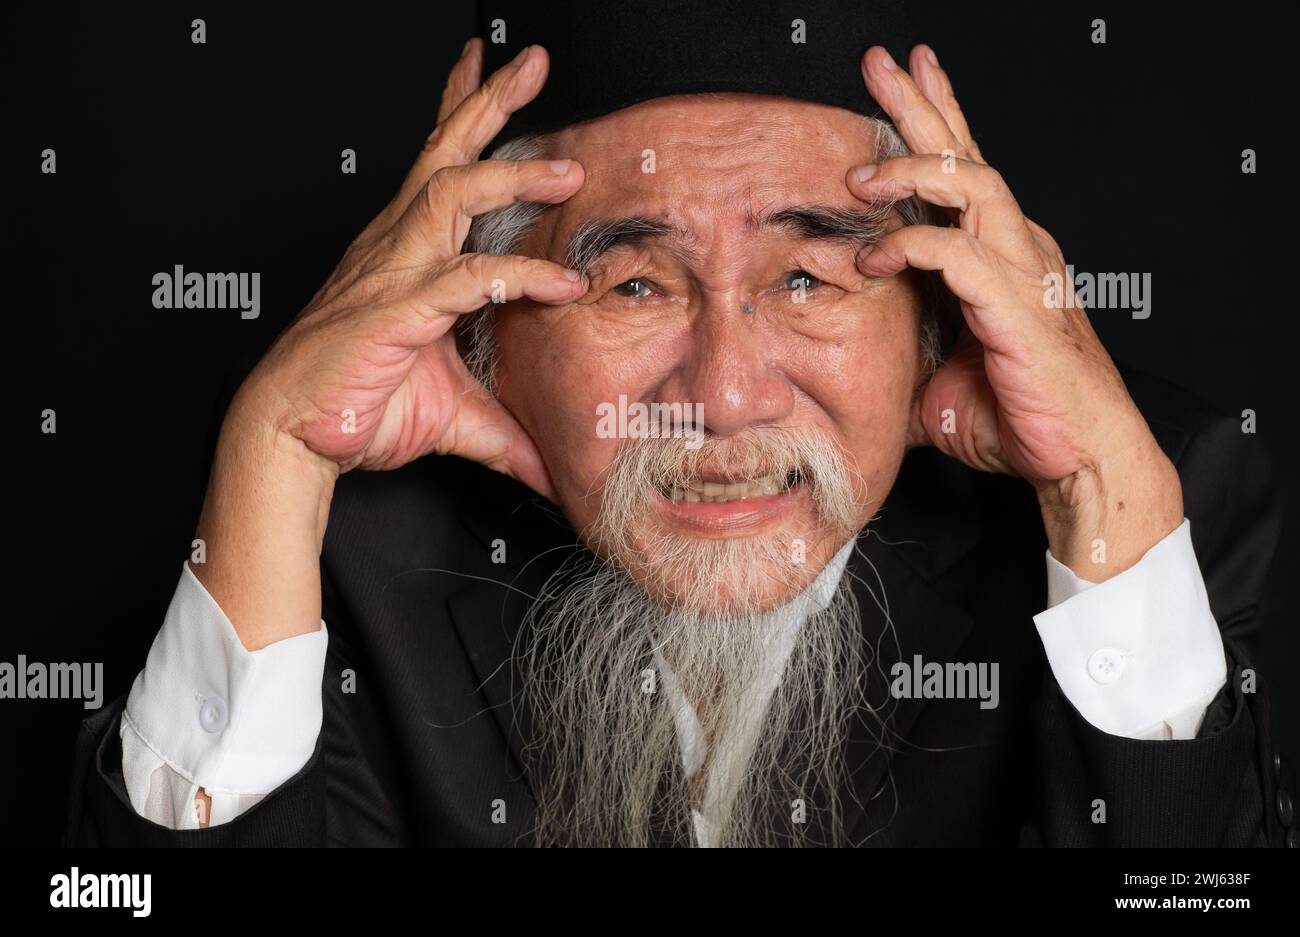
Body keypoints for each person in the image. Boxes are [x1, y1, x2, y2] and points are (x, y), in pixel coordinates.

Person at [66, 2, 1292, 847]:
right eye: (633, 284)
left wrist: (1097, 494)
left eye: (806, 280)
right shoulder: (334, 536)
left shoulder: (1140, 493)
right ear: (483, 322)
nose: (725, 392)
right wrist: (272, 456)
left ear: (933, 310)